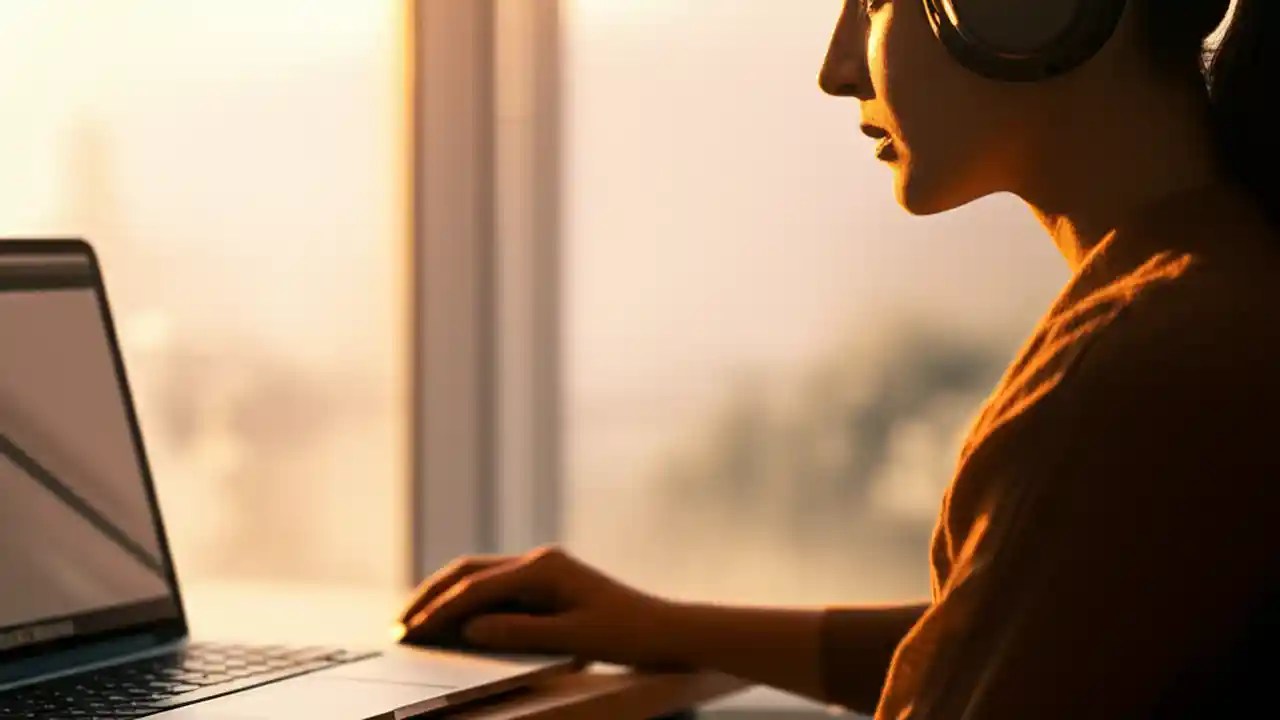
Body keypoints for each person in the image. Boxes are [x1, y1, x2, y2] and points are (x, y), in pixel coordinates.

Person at [395, 1, 1280, 716]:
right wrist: (659, 625)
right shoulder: (1218, 280)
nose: (837, 66)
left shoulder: (1139, 367)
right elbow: (1034, 629)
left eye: (872, 2)